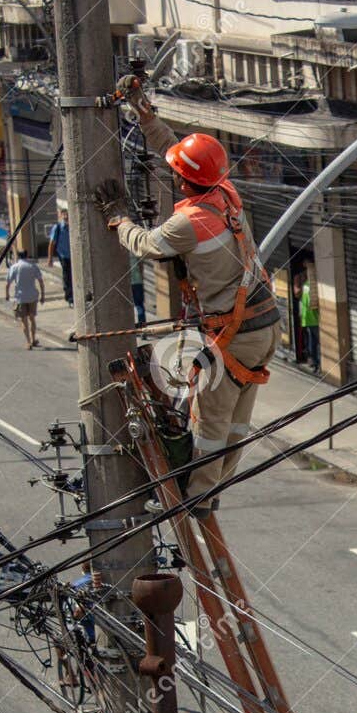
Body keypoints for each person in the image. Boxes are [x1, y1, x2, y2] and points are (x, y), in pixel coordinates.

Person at [94, 77, 281, 518]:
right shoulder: (225, 194)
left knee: (212, 425)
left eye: (178, 174)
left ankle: (197, 497)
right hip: (263, 326)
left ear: (182, 183)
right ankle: (212, 491)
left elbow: (145, 245)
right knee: (236, 424)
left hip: (230, 335)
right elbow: (175, 152)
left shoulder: (189, 223)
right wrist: (145, 114)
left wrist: (118, 218)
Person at [4, 249, 45, 349]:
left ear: (18, 256)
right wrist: (43, 295)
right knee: (32, 318)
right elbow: (41, 282)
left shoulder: (14, 267)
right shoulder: (33, 266)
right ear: (27, 255)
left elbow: (8, 284)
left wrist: (7, 295)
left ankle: (28, 342)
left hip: (20, 297)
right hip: (32, 296)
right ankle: (33, 338)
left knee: (24, 321)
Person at [46, 207, 72, 306]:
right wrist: (50, 258)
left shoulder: (72, 227)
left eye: (67, 215)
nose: (66, 217)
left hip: (73, 256)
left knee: (73, 276)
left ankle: (73, 295)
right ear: (61, 216)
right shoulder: (57, 228)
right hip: (64, 255)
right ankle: (69, 297)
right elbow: (51, 243)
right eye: (64, 215)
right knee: (67, 276)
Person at [296, 272, 320, 373]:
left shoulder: (305, 285)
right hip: (314, 319)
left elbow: (301, 300)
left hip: (307, 319)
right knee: (317, 343)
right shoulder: (313, 286)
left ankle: (314, 363)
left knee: (312, 343)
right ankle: (318, 364)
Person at [128, 253, 146, 325]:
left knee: (128, 305)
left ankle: (130, 326)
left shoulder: (123, 254)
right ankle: (142, 328)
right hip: (138, 282)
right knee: (139, 305)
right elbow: (141, 267)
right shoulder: (135, 253)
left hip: (129, 283)